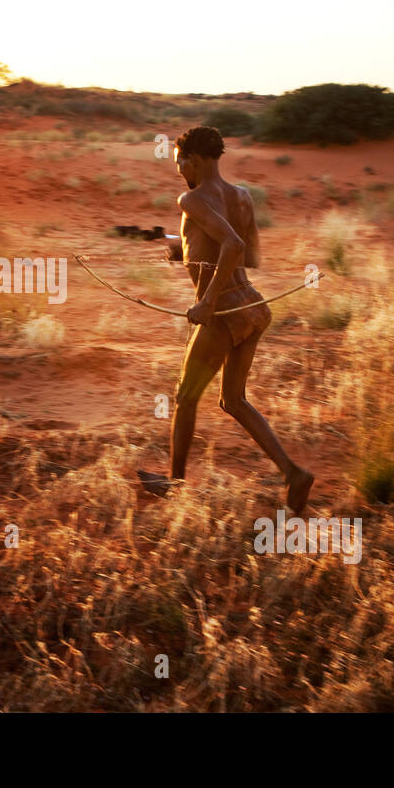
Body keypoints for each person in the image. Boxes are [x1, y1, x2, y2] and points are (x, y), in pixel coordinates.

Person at [145, 125, 314, 513]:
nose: (178, 170)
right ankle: (294, 474)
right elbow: (248, 257)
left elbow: (233, 246)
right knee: (233, 400)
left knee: (186, 397)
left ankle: (175, 484)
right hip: (251, 306)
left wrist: (206, 302)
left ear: (196, 160)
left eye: (179, 162)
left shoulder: (191, 198)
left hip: (222, 313)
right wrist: (183, 249)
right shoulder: (242, 196)